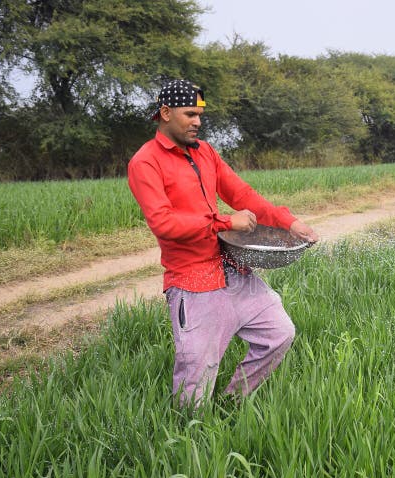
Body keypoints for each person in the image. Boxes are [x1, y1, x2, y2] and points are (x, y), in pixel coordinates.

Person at [128, 79, 318, 406]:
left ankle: (231, 405)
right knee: (194, 385)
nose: (198, 122)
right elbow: (164, 223)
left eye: (200, 114)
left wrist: (290, 222)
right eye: (190, 114)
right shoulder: (145, 162)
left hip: (230, 270)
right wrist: (226, 222)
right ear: (165, 113)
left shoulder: (206, 153)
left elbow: (241, 194)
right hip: (191, 281)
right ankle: (189, 438)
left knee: (279, 334)